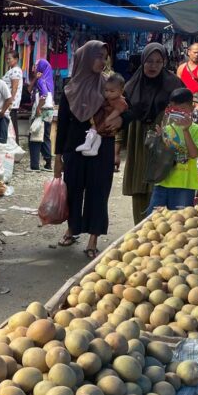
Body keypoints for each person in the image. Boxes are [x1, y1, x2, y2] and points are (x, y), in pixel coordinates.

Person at [53, 40, 117, 258]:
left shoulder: (108, 85)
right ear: (86, 58)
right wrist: (58, 156)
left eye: (104, 56)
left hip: (102, 147)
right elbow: (62, 124)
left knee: (98, 192)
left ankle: (93, 237)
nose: (102, 61)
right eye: (98, 56)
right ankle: (72, 228)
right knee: (73, 191)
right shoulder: (70, 88)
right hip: (74, 148)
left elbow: (123, 109)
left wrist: (119, 134)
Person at [119, 42, 186, 222]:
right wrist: (117, 147)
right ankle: (139, 227)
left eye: (158, 61)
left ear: (164, 62)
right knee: (140, 182)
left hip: (165, 137)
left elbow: (185, 110)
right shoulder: (131, 85)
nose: (153, 66)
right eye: (149, 61)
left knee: (161, 181)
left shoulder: (174, 84)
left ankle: (159, 229)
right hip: (138, 138)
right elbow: (121, 116)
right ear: (142, 62)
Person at [148, 88, 198, 213]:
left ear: (192, 108)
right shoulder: (167, 129)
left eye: (183, 108)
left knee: (181, 220)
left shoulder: (197, 130)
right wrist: (158, 141)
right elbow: (159, 155)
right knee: (152, 219)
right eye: (175, 109)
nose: (178, 112)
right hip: (162, 182)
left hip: (184, 185)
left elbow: (194, 154)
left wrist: (185, 130)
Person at [76, 73, 127, 157]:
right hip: (102, 121)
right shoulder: (108, 99)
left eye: (112, 91)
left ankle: (88, 144)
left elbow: (117, 112)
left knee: (95, 130)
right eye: (106, 90)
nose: (108, 93)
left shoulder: (120, 101)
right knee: (97, 134)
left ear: (121, 91)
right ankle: (92, 148)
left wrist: (108, 119)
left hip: (107, 124)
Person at [29, 59, 56, 170]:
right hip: (49, 110)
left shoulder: (41, 81)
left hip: (42, 110)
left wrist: (39, 108)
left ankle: (35, 165)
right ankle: (48, 163)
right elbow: (29, 89)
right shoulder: (47, 80)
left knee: (34, 136)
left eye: (36, 66)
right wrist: (35, 78)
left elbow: (43, 95)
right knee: (45, 136)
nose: (34, 68)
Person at [2, 50, 24, 139]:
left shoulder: (15, 71)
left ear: (16, 59)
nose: (7, 61)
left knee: (11, 126)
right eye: (6, 59)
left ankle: (13, 145)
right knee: (11, 126)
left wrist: (10, 101)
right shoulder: (12, 70)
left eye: (9, 59)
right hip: (10, 103)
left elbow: (14, 88)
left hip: (11, 104)